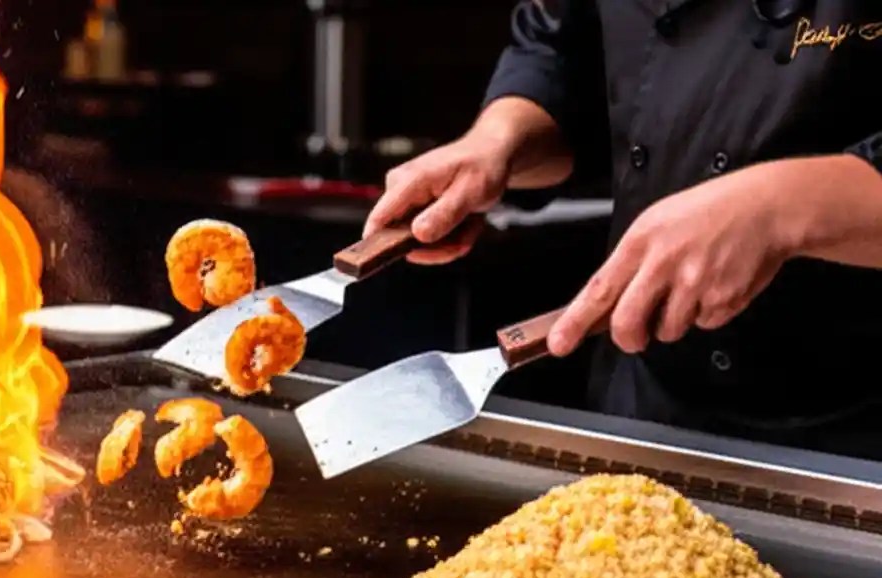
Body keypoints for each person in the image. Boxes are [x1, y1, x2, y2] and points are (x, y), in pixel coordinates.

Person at [364, 0, 882, 459]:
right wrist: (499, 141)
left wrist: (780, 207)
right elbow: (564, 50)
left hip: (855, 440)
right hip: (645, 416)